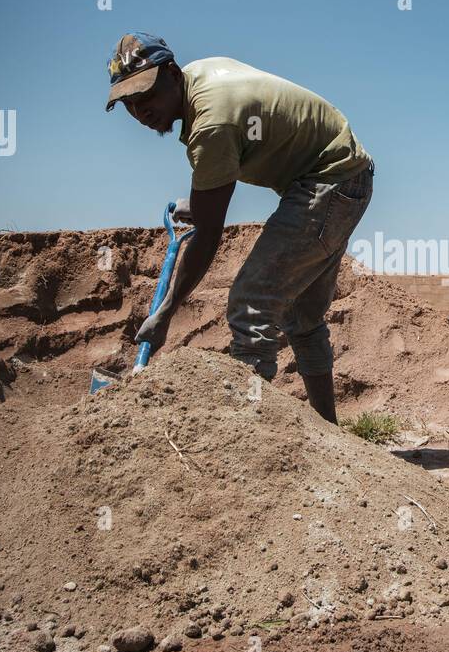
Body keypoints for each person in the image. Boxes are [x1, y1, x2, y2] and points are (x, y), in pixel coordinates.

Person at [105, 32, 373, 423]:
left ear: (173, 74)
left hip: (330, 182)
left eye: (145, 95)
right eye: (128, 103)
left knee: (251, 303)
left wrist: (166, 310)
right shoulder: (201, 77)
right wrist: (200, 204)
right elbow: (216, 188)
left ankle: (248, 441)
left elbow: (209, 234)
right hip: (341, 176)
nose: (140, 110)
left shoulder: (211, 122)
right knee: (302, 316)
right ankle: (329, 433)